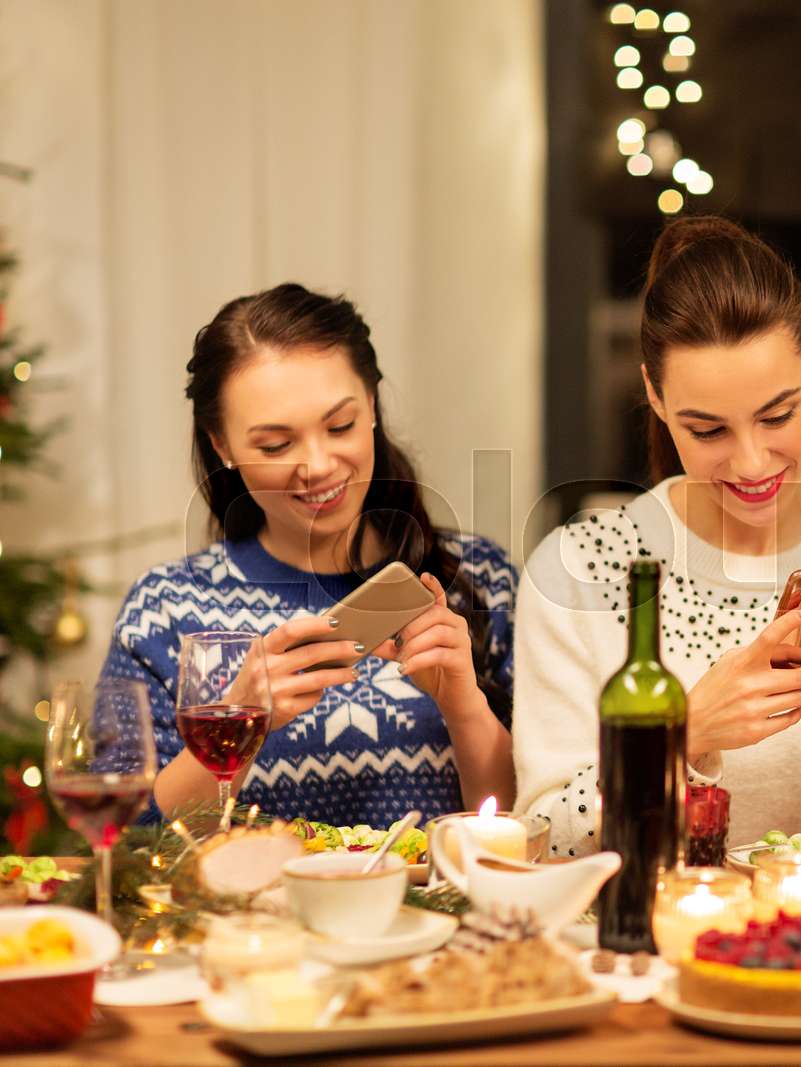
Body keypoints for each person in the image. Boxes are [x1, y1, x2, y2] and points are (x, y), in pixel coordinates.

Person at [513, 215, 801, 855]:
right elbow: (542, 842)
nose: (752, 462)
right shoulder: (577, 569)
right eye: (708, 431)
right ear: (656, 395)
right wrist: (681, 734)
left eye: (777, 416)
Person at [101, 284, 518, 826]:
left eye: (339, 425)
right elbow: (123, 841)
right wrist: (237, 727)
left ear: (371, 405)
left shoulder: (479, 578)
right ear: (222, 445)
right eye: (276, 445)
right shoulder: (164, 610)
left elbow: (529, 828)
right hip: (246, 913)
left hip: (442, 913)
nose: (318, 464)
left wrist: (464, 705)